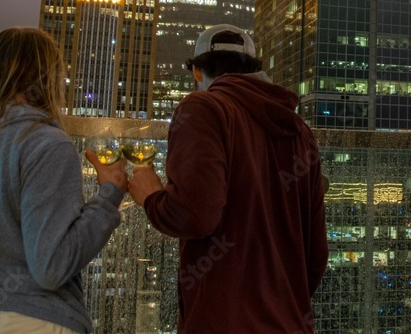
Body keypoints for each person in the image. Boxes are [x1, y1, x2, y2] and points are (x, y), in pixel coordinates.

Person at [0, 27, 128, 334]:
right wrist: (109, 196)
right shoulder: (45, 143)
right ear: (48, 80)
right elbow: (51, 267)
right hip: (34, 321)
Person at [128, 24, 328, 333]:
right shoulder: (300, 130)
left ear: (197, 72)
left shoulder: (203, 108)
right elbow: (316, 254)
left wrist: (150, 195)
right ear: (252, 68)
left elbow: (195, 215)